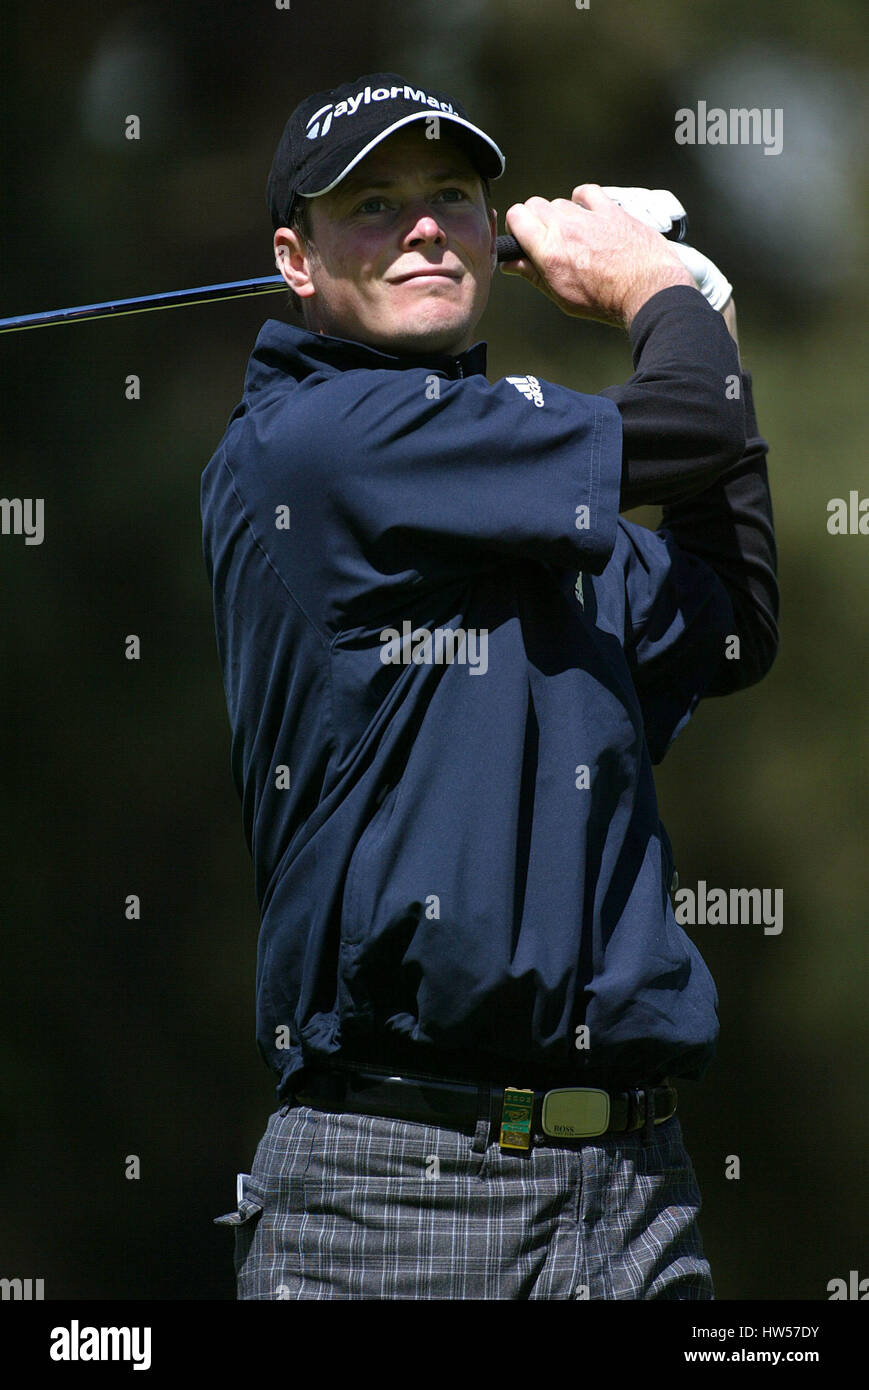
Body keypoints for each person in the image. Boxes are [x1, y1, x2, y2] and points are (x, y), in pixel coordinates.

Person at [203, 73, 778, 1300]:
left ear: (486, 228)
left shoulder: (512, 478)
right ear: (292, 261)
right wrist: (658, 289)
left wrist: (699, 311)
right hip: (394, 1192)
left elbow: (729, 624)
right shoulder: (320, 442)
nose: (421, 225)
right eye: (373, 205)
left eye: (450, 196)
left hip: (634, 1192)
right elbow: (682, 424)